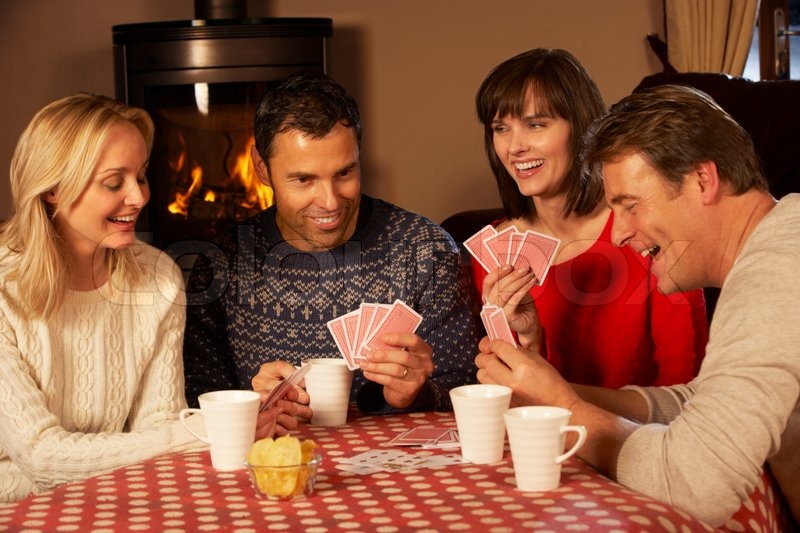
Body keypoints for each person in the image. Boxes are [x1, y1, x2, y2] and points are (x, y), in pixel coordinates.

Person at [475, 84, 800, 527]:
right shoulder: (778, 244)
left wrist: (566, 412)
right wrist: (553, 392)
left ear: (702, 180)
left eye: (629, 205)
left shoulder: (777, 269)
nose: (618, 234)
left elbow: (692, 484)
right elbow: (701, 400)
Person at [0, 93, 287, 502]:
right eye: (114, 182)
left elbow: (160, 431)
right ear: (53, 189)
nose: (138, 197)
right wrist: (206, 431)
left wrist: (192, 436)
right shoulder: (3, 289)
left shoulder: (157, 278)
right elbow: (41, 459)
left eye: (142, 176)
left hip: (121, 496)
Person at [183, 71, 478, 427]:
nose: (329, 202)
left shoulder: (426, 250)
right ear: (262, 168)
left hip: (396, 473)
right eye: (304, 179)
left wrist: (417, 393)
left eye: (344, 173)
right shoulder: (220, 265)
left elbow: (471, 387)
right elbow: (195, 401)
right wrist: (247, 404)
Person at [471, 48, 708, 388]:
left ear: (581, 128)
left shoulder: (653, 235)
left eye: (535, 124)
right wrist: (529, 345)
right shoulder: (491, 255)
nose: (514, 147)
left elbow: (688, 395)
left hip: (642, 438)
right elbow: (508, 402)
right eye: (500, 128)